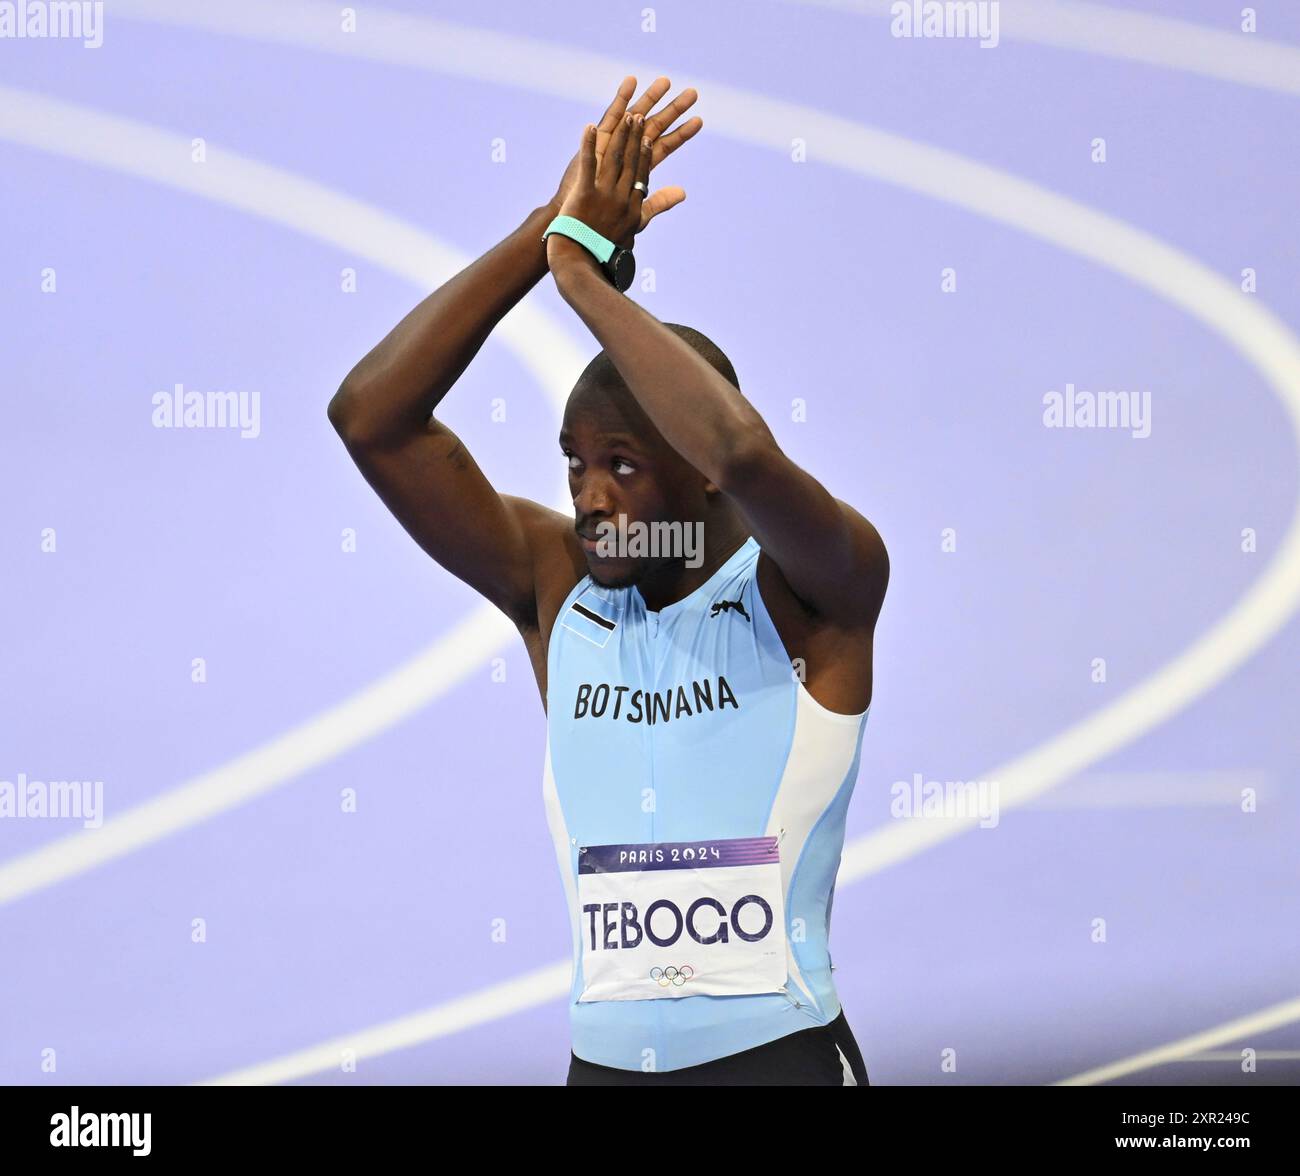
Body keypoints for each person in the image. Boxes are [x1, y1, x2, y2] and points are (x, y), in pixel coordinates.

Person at [327, 76, 888, 1086]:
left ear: (696, 476)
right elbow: (372, 417)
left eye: (622, 465)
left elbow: (746, 450)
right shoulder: (558, 594)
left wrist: (582, 284)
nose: (589, 497)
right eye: (572, 464)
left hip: (779, 1062)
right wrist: (550, 228)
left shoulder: (811, 592)